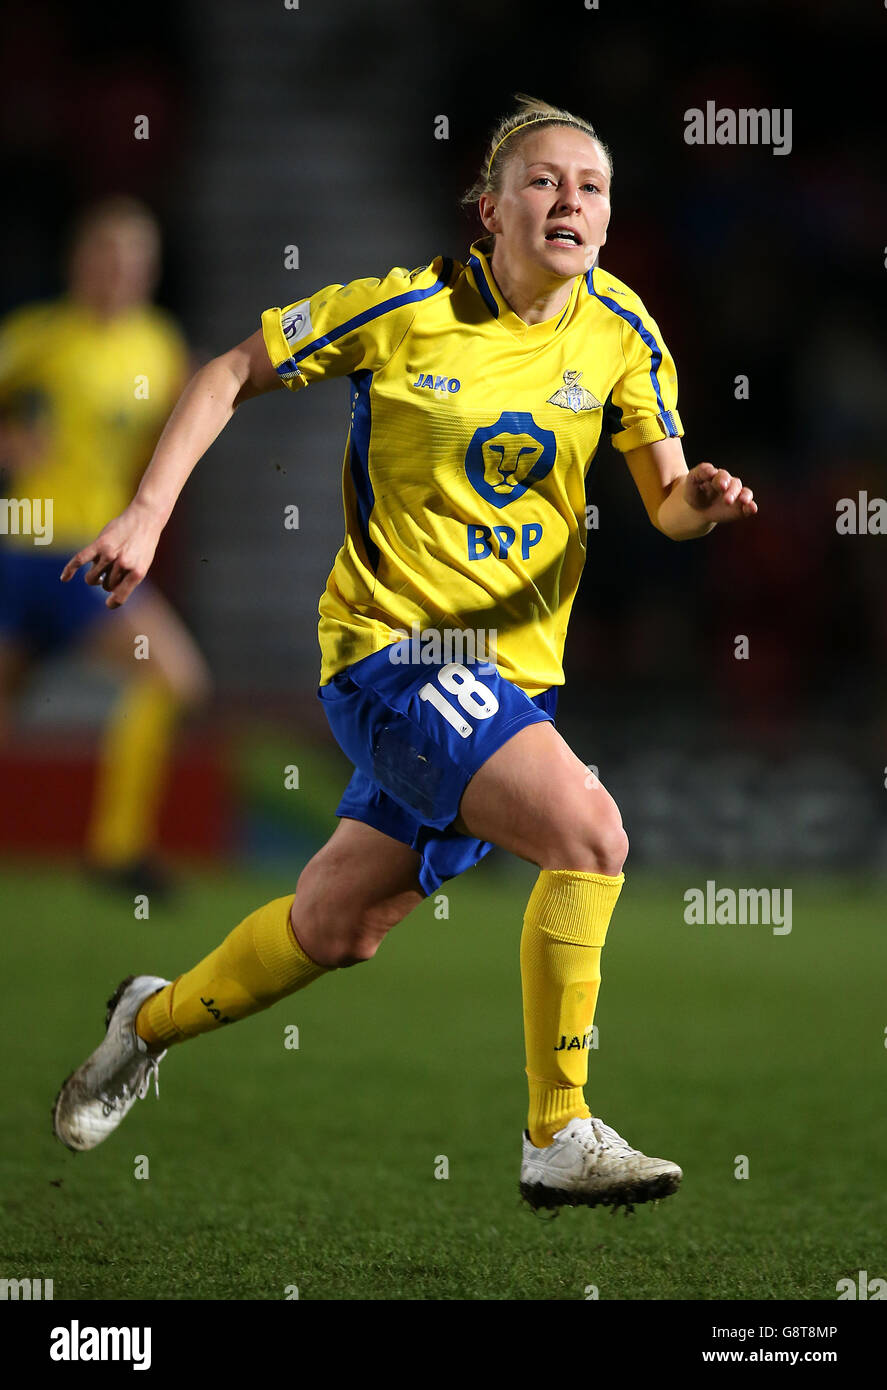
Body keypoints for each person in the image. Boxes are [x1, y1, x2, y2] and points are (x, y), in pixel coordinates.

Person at [52, 98, 756, 1212]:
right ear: (489, 208)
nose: (570, 198)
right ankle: (556, 1129)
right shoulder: (403, 307)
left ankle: (146, 1020)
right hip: (393, 653)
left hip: (509, 677)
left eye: (592, 184)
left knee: (337, 926)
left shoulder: (622, 329)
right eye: (542, 179)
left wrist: (696, 505)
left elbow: (663, 498)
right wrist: (144, 514)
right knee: (589, 831)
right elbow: (231, 370)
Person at [0, 197, 211, 893]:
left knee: (176, 679)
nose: (119, 271)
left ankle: (117, 850)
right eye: (106, 255)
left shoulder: (158, 346)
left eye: (133, 259)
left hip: (95, 559)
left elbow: (177, 431)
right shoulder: (38, 336)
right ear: (78, 262)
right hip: (21, 548)